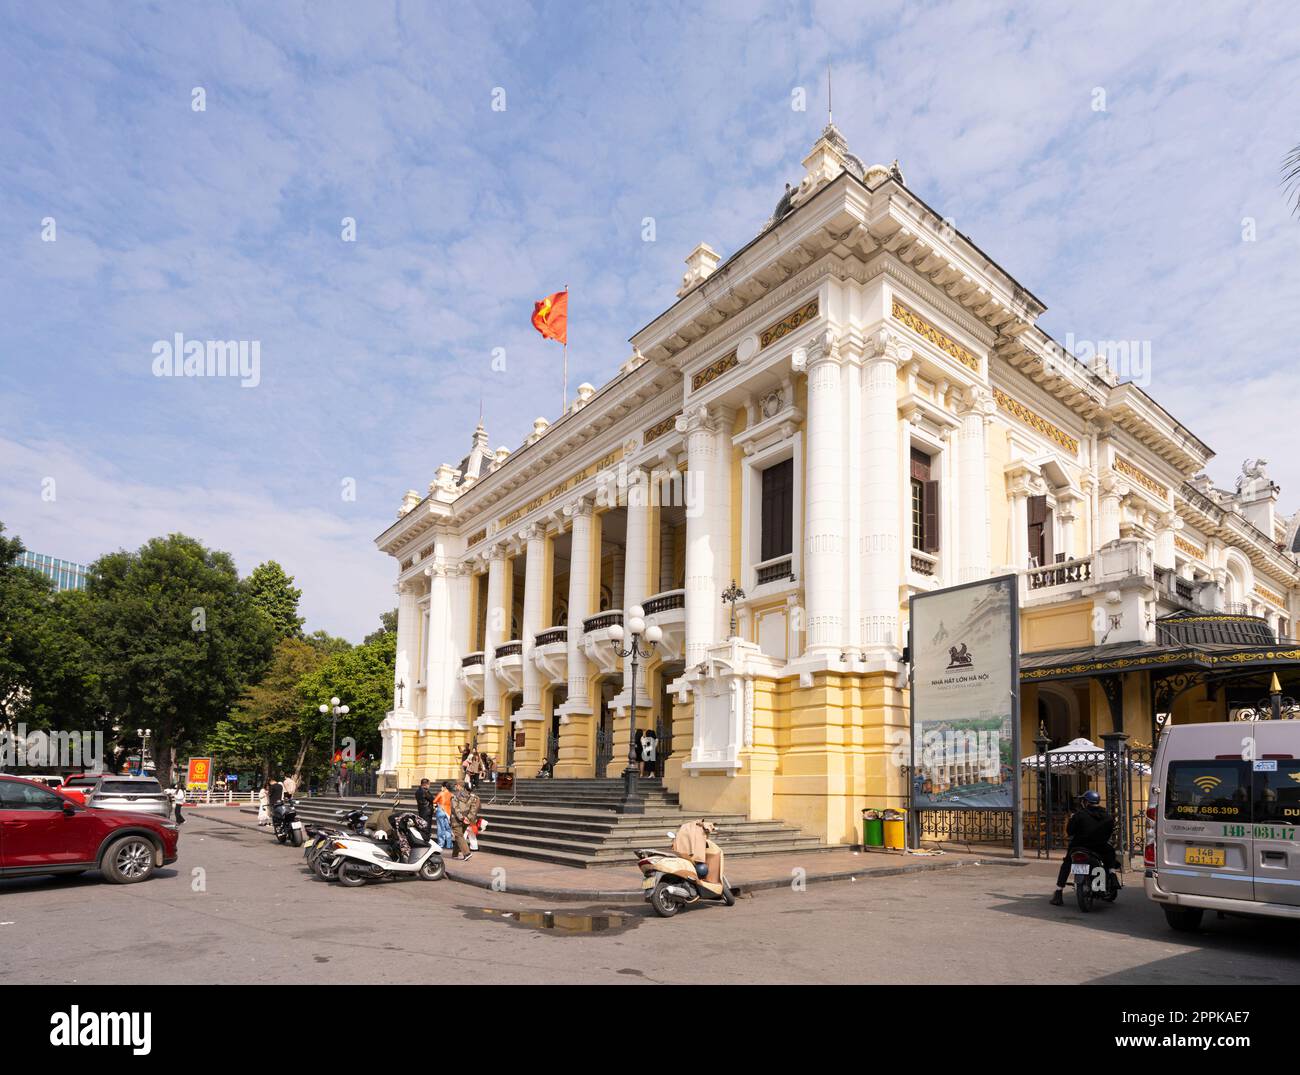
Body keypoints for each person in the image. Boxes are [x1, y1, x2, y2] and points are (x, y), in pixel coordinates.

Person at [1050, 790, 1119, 905]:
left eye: (1083, 800)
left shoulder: (1079, 815)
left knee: (1067, 864)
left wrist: (1072, 820)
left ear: (1086, 802)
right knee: (1110, 853)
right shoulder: (1107, 816)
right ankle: (1112, 875)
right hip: (1099, 847)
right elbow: (1109, 832)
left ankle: (1058, 892)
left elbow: (1070, 831)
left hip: (1079, 847)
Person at [450, 780, 481, 861]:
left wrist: (462, 818)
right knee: (459, 836)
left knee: (459, 836)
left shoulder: (455, 796)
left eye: (456, 785)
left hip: (456, 819)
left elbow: (455, 809)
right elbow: (474, 809)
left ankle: (467, 853)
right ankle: (455, 853)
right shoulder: (472, 796)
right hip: (466, 820)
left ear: (459, 786)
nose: (455, 786)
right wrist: (468, 818)